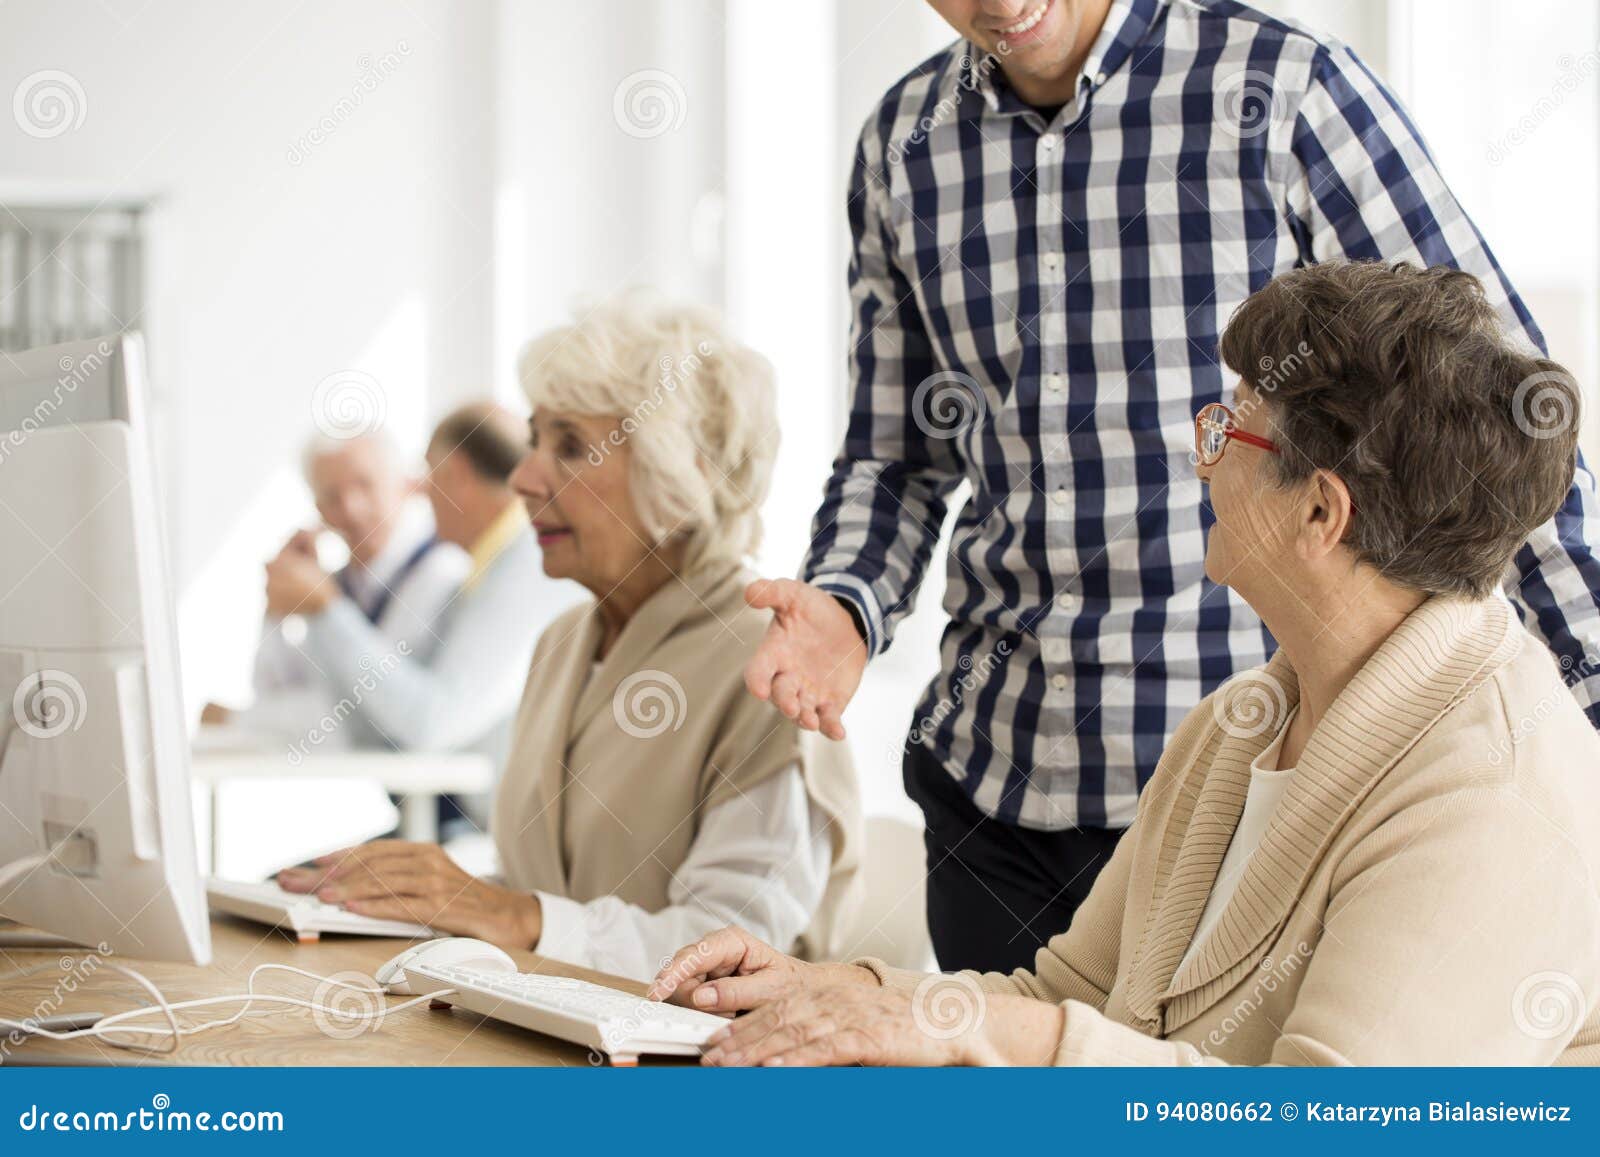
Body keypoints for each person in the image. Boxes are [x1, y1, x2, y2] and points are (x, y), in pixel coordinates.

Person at [742, 0, 1600, 972]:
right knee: (1007, 1115)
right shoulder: (905, 144)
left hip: (1239, 791)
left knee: (1197, 1123)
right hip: (991, 787)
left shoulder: (1286, 93)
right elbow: (893, 452)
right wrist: (847, 603)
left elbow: (1494, 412)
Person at [649, 261, 1600, 1066]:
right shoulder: (1238, 728)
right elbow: (1064, 996)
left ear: (1321, 512)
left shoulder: (1496, 793)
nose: (1202, 458)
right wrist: (832, 990)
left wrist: (943, 1024)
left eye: (1231, 429)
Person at [277, 294, 862, 982]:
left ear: (677, 477)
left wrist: (509, 914)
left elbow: (730, 953)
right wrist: (416, 899)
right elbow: (560, 893)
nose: (524, 478)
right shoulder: (566, 641)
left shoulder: (769, 663)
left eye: (571, 446)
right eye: (534, 441)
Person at [259, 402, 581, 831]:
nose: (420, 490)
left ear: (457, 475)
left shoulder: (523, 566)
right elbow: (360, 721)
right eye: (331, 495)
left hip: (486, 830)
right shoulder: (485, 572)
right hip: (470, 822)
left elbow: (428, 722)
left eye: (430, 474)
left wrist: (326, 609)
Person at [203, 431, 464, 743]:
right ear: (318, 509)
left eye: (364, 485)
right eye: (331, 496)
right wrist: (276, 610)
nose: (351, 508)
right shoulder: (336, 586)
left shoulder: (441, 571)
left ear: (405, 486)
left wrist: (238, 720)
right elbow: (276, 693)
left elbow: (366, 720)